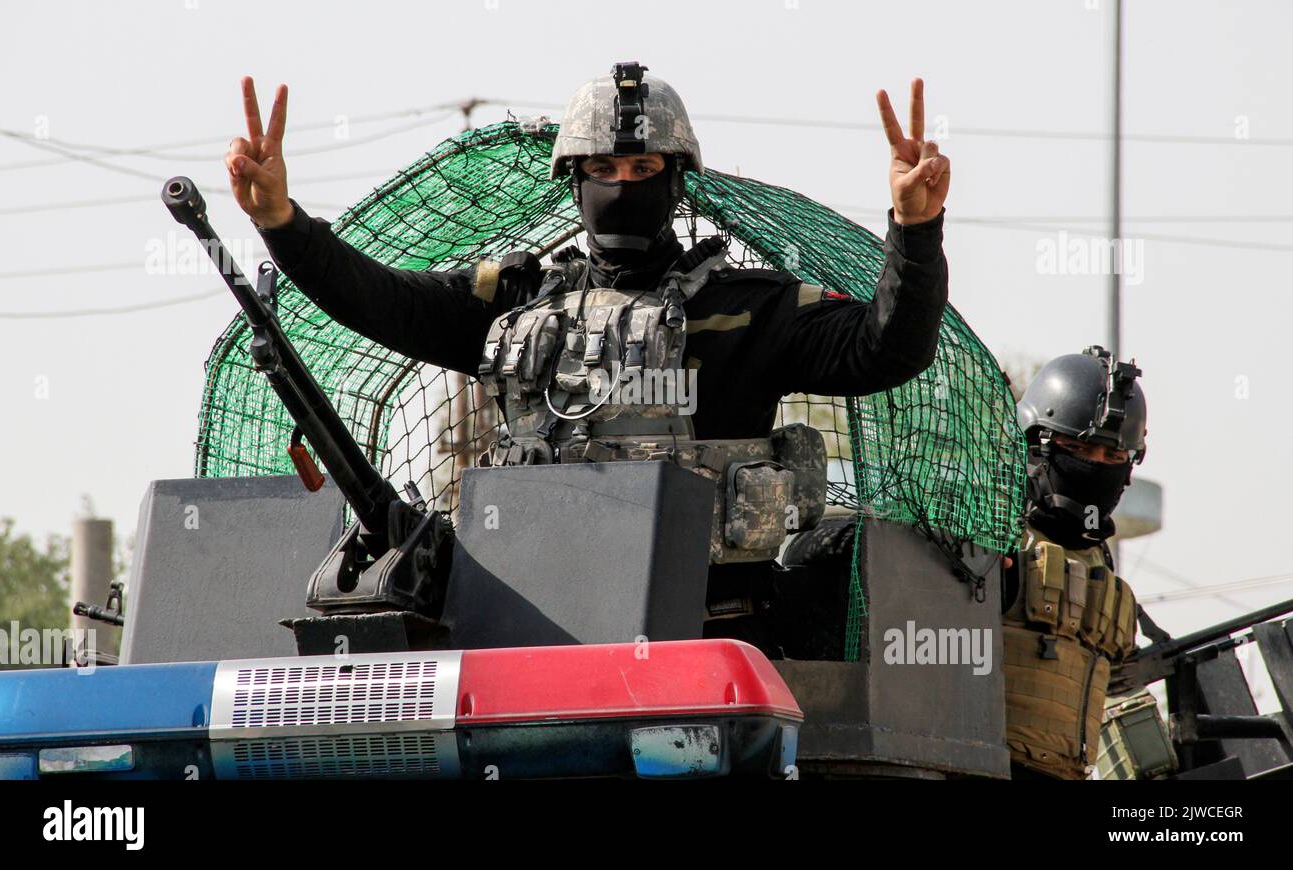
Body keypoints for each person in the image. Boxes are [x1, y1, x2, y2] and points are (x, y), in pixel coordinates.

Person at [224, 63, 953, 653]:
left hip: (718, 637)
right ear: (574, 180)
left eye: (643, 166)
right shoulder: (515, 302)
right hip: (538, 630)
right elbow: (380, 299)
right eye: (603, 165)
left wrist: (914, 231)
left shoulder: (750, 310)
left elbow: (887, 348)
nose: (623, 184)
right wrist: (282, 224)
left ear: (676, 177)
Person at [1004, 345, 1146, 779]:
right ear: (1036, 444)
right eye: (1078, 449)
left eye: (1113, 457)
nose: (1097, 466)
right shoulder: (992, 535)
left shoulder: (1098, 561)